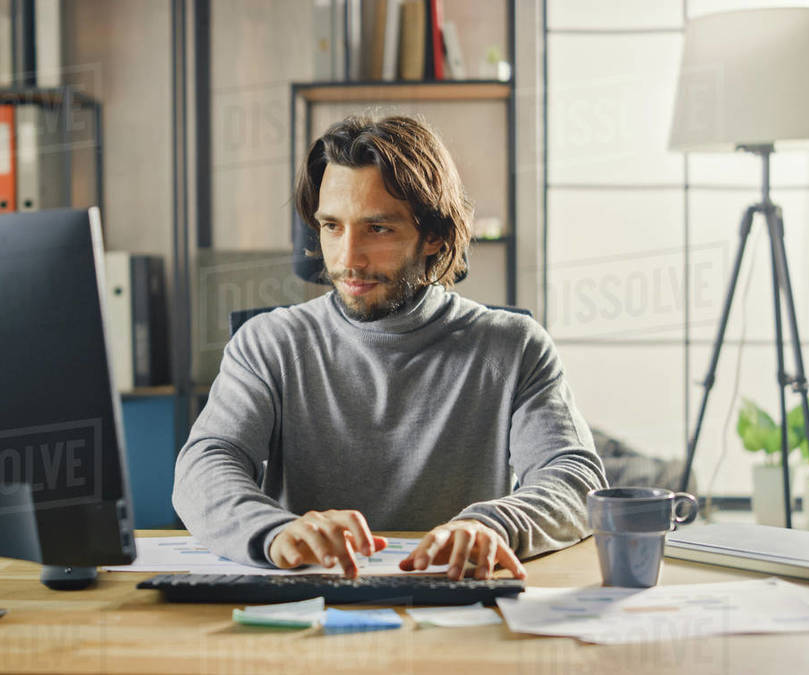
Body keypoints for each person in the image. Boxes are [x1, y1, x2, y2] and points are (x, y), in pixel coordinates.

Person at [173, 115, 607, 580]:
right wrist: (275, 532)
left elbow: (575, 479)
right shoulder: (268, 343)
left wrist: (495, 525)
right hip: (306, 606)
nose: (347, 258)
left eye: (377, 229)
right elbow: (204, 465)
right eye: (332, 227)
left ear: (434, 235)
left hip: (456, 604)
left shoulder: (513, 346)